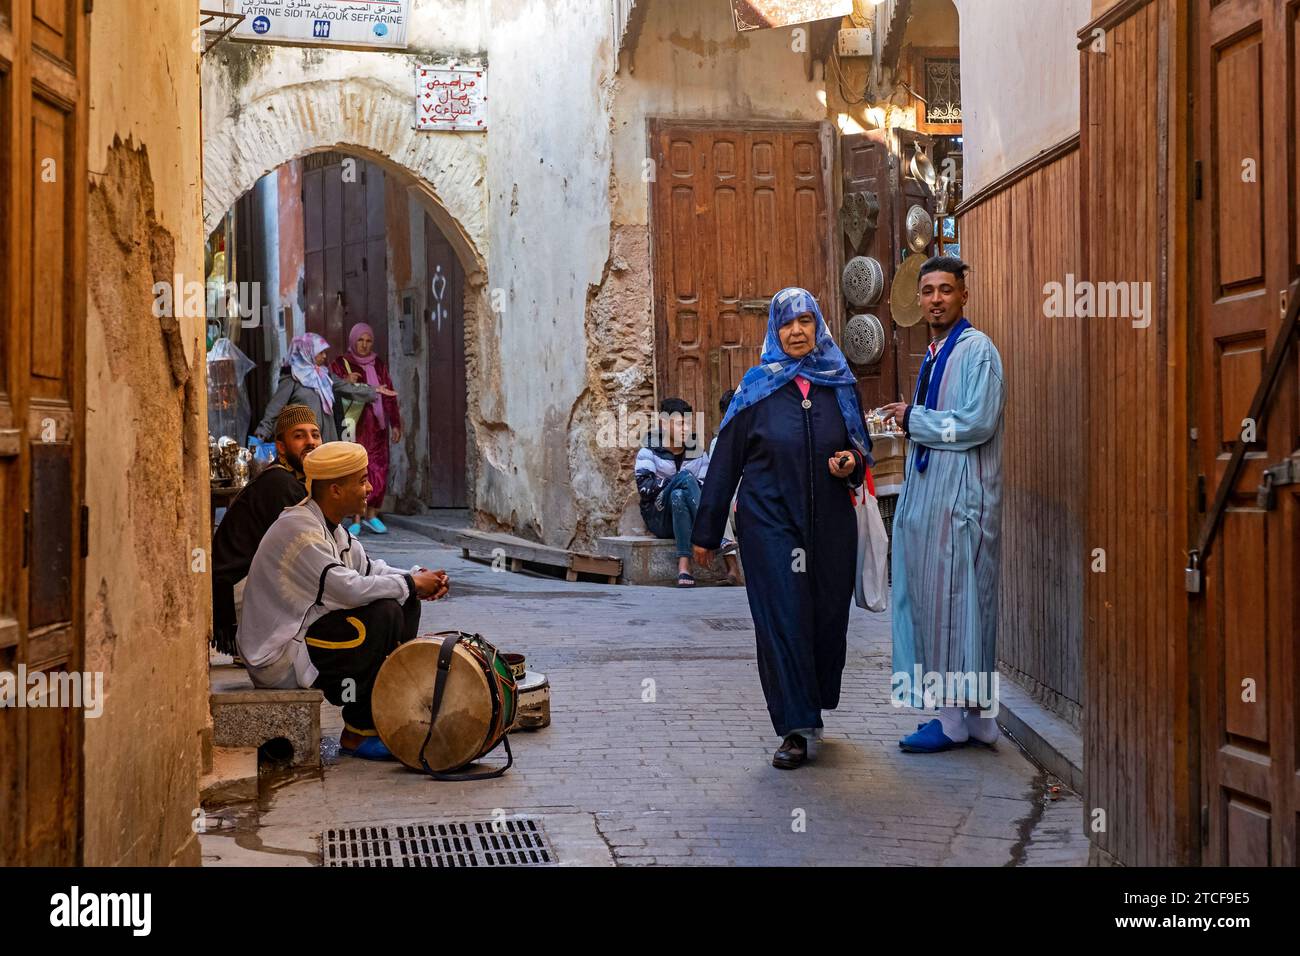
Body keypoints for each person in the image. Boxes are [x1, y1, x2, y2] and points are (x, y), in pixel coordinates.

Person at [692, 287, 871, 769]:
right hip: (769, 525)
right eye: (787, 323)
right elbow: (724, 463)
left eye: (805, 322)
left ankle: (813, 704)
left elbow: (862, 450)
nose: (796, 331)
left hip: (831, 526)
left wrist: (849, 462)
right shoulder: (757, 389)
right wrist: (706, 533)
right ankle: (794, 727)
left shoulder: (840, 384)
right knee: (783, 620)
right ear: (775, 329)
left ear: (818, 327)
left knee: (827, 620)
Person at [237, 441, 450, 760]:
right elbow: (348, 589)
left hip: (303, 639)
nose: (370, 488)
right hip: (278, 658)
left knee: (404, 601)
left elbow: (369, 569)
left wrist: (417, 576)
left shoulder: (332, 530)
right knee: (385, 614)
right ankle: (358, 731)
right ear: (335, 490)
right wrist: (409, 583)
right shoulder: (300, 531)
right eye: (362, 480)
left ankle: (381, 715)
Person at [878, 255, 1006, 754]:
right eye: (927, 291)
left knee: (957, 607)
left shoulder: (979, 352)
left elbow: (977, 423)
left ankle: (952, 722)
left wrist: (915, 419)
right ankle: (977, 721)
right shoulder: (935, 354)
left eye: (945, 290)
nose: (935, 299)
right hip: (935, 504)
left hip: (962, 501)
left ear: (963, 296)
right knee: (947, 607)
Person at [211, 404, 321, 655]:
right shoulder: (279, 483)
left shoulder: (294, 480)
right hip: (235, 591)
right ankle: (261, 647)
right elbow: (307, 555)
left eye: (315, 434)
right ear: (280, 447)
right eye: (299, 435)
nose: (310, 442)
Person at [331, 323, 402, 537]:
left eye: (368, 340)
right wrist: (345, 381)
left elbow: (388, 394)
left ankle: (372, 515)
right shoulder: (341, 364)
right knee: (356, 470)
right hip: (354, 426)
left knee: (379, 470)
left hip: (378, 428)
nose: (364, 345)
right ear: (353, 341)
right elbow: (332, 388)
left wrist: (395, 423)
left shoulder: (378, 364)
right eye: (360, 340)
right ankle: (355, 517)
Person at [254, 332, 386, 444]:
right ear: (307, 351)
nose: (324, 356)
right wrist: (262, 432)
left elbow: (347, 388)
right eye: (320, 352)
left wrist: (374, 390)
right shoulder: (292, 377)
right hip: (303, 439)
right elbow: (275, 407)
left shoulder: (323, 375)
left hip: (327, 437)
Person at [635, 397, 709, 587]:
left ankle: (684, 567)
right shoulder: (649, 450)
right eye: (680, 424)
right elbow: (645, 488)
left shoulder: (697, 451)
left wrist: (679, 486)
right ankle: (709, 531)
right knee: (683, 478)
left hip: (686, 512)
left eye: (689, 423)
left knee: (679, 495)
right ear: (664, 424)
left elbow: (706, 486)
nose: (686, 429)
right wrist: (674, 482)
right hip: (658, 517)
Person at [707, 389, 744, 586]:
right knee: (718, 502)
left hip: (754, 505)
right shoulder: (717, 444)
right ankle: (732, 569)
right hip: (733, 512)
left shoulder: (757, 440)